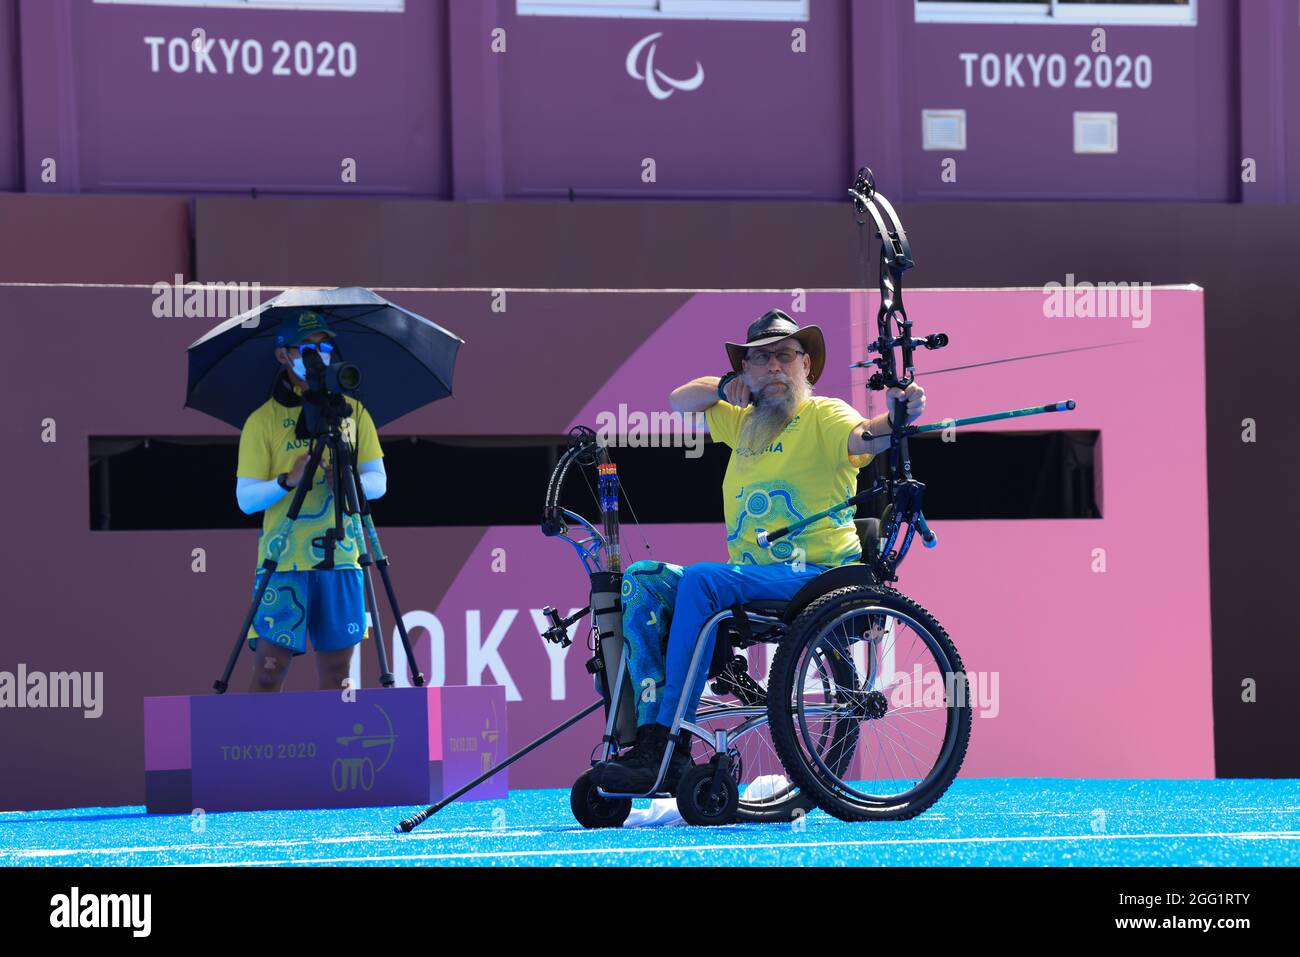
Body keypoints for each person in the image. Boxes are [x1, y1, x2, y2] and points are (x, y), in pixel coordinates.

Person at [592, 309, 925, 793]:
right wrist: (724, 384)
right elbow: (680, 400)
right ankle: (649, 739)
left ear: (805, 365)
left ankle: (668, 743)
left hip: (815, 575)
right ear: (746, 369)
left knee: (703, 579)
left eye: (784, 356)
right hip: (753, 578)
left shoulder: (825, 415)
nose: (773, 367)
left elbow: (869, 435)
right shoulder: (744, 423)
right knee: (643, 580)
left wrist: (899, 413)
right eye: (761, 358)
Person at [234, 310, 388, 693]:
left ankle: (337, 736)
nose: (318, 355)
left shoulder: (353, 413)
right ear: (282, 355)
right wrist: (288, 481)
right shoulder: (262, 421)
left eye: (324, 347)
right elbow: (245, 499)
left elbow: (379, 482)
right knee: (269, 671)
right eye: (306, 347)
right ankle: (257, 734)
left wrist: (348, 481)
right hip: (284, 560)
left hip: (344, 557)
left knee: (340, 676)